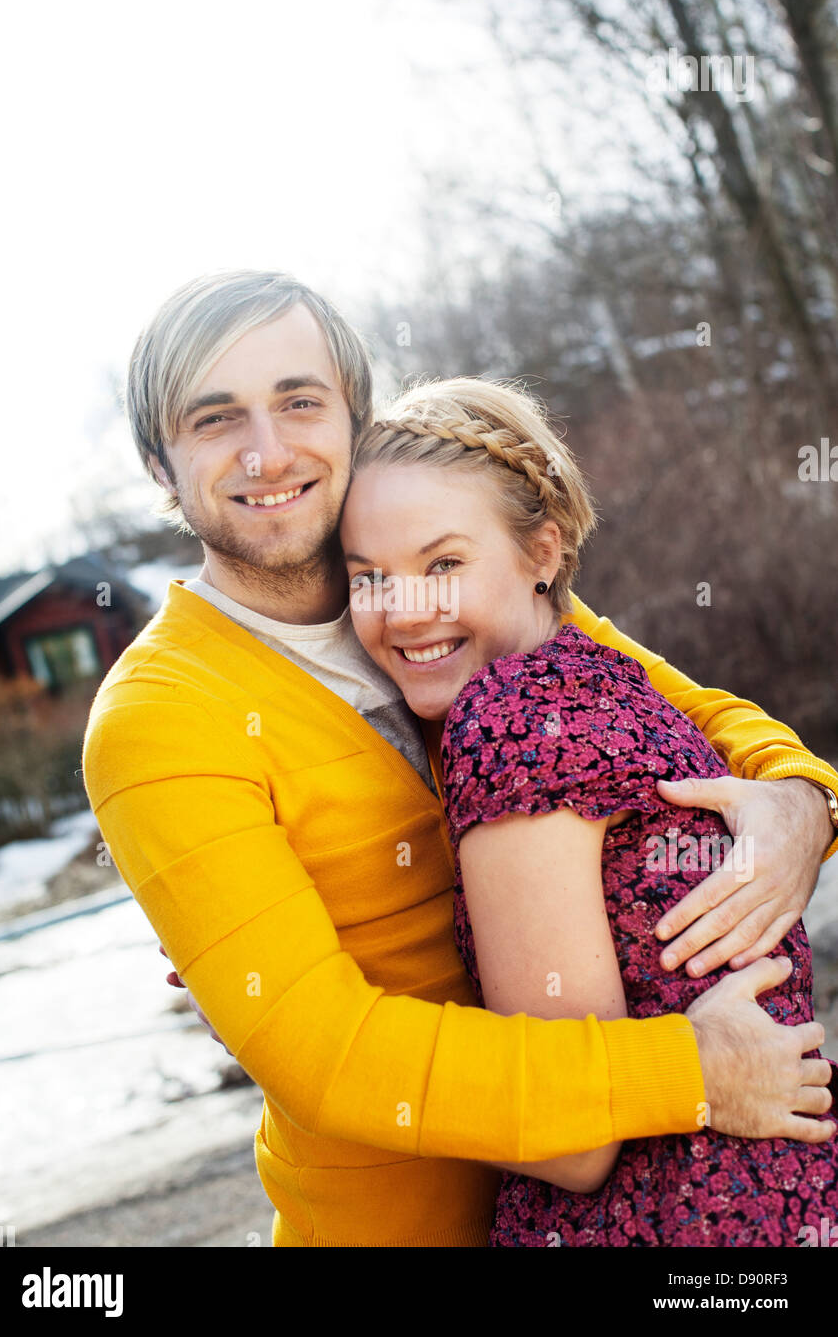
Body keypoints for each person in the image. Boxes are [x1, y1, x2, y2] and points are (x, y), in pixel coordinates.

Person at [82, 270, 838, 1249]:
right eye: (215, 418)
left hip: (615, 1208)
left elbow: (697, 711)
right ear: (157, 460)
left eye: (298, 402)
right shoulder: (158, 717)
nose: (266, 451)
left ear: (352, 415)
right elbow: (326, 1053)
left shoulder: (441, 600)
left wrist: (801, 803)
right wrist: (686, 1070)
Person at [340, 376, 838, 1246]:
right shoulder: (611, 682)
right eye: (368, 577)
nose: (403, 610)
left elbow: (575, 1145)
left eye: (444, 564)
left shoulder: (510, 723)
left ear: (543, 551)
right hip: (776, 1200)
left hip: (665, 1222)